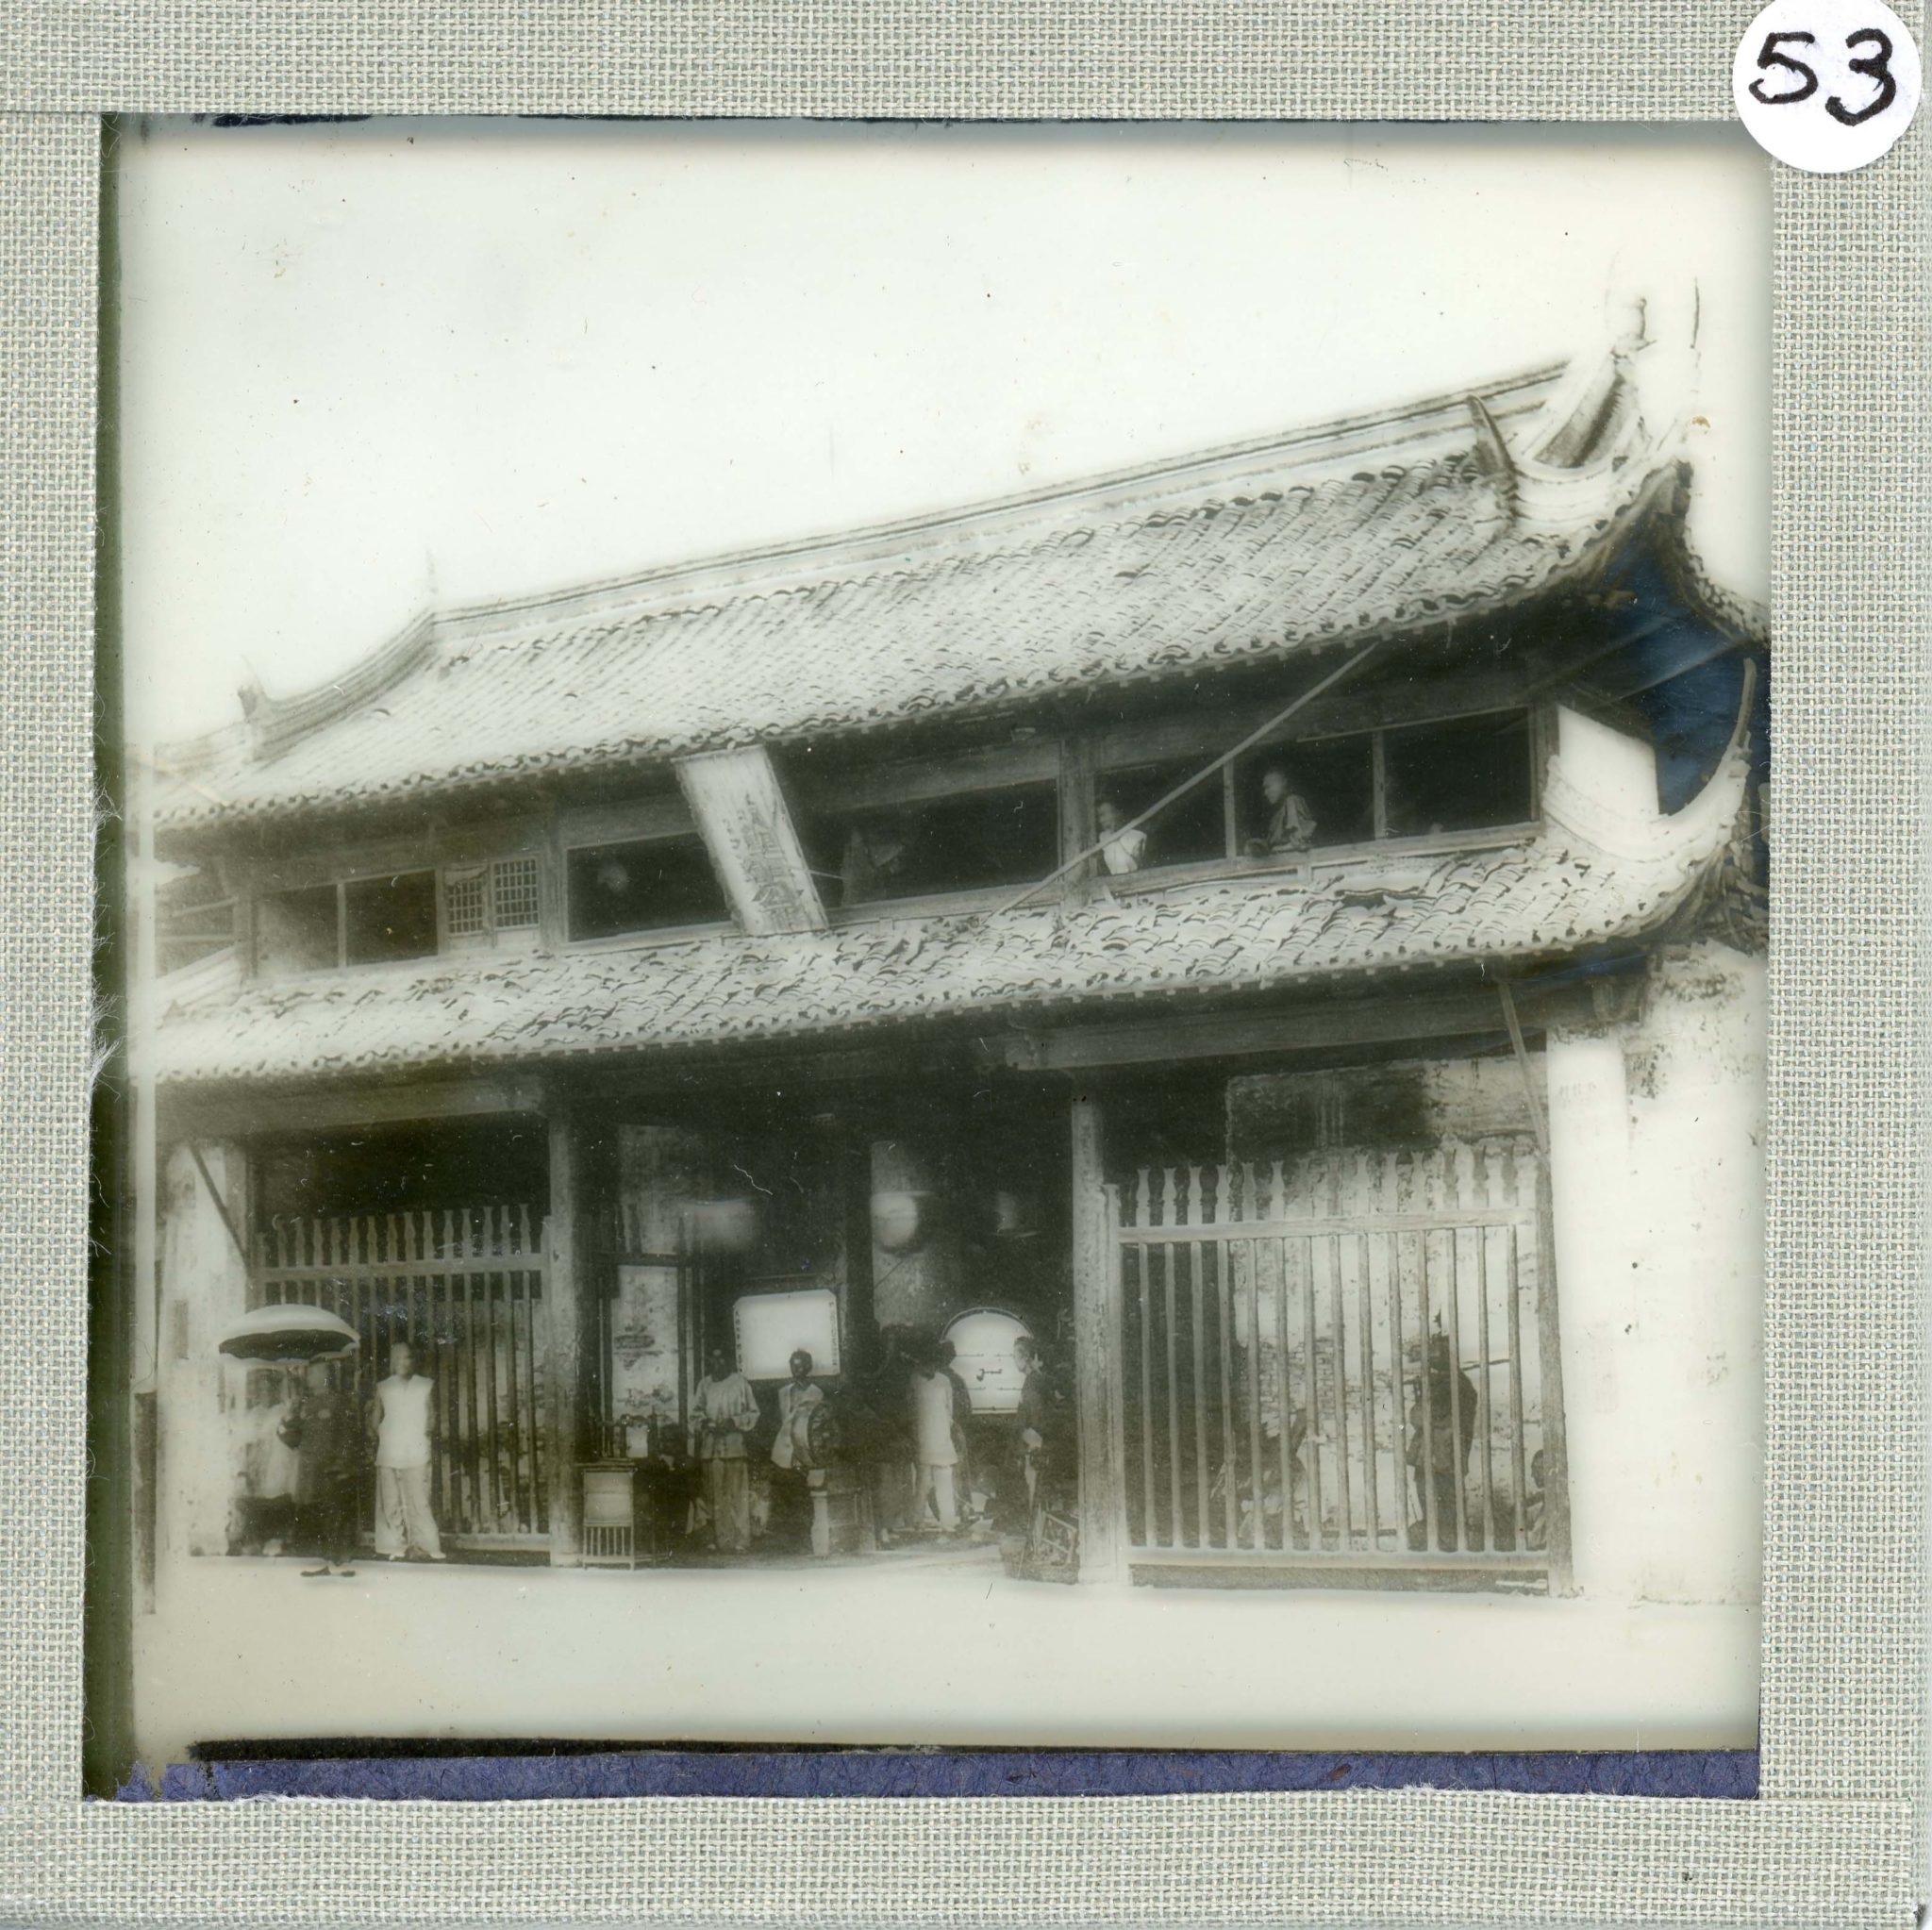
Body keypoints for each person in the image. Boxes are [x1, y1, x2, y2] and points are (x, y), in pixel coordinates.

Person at [370, 1340, 444, 1562]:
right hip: (390, 1449)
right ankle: (396, 1545)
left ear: (414, 1361)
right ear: (392, 1362)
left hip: (417, 1449)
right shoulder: (383, 1386)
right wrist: (385, 1434)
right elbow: (375, 1420)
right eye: (398, 1358)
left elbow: (431, 1417)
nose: (403, 1362)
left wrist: (422, 1434)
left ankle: (427, 1545)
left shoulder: (425, 1385)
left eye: (407, 1357)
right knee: (391, 1501)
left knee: (420, 1499)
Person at [1405, 1332, 1479, 1551]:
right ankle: (1445, 1555)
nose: (1430, 1358)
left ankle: (1443, 1558)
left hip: (1439, 1462)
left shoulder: (1450, 1385)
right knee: (1443, 1517)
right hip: (1442, 1460)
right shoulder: (1457, 1383)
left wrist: (1421, 1400)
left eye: (1435, 1353)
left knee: (1440, 1519)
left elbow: (1418, 1416)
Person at [295, 1356, 363, 1577]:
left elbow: (348, 1436)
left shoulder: (339, 1401)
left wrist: (343, 1465)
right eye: (310, 1372)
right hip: (310, 1470)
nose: (310, 1377)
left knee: (335, 1515)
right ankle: (320, 1560)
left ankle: (340, 1561)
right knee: (314, 1515)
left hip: (331, 1470)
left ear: (326, 1376)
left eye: (315, 1372)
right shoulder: (305, 1405)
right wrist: (287, 1420)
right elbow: (294, 1439)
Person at [691, 1344, 761, 1555]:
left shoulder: (740, 1383)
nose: (717, 1364)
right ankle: (722, 1541)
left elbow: (754, 1412)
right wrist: (706, 1423)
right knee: (715, 1496)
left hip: (734, 1447)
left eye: (721, 1360)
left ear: (729, 1362)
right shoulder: (704, 1385)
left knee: (738, 1495)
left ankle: (741, 1541)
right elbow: (695, 1414)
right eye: (713, 1360)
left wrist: (734, 1422)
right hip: (711, 1449)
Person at [769, 1348, 824, 1551]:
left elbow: (815, 1425)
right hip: (781, 1452)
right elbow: (782, 1421)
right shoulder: (783, 1392)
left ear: (808, 1368)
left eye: (801, 1366)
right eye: (793, 1365)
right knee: (784, 1497)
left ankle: (804, 1541)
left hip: (802, 1452)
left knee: (802, 1497)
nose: (796, 1370)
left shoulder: (816, 1392)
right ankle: (787, 1542)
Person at [908, 1343, 960, 1534]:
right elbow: (910, 1410)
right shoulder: (913, 1380)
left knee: (945, 1480)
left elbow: (950, 1410)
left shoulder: (944, 1381)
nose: (929, 1366)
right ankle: (917, 1521)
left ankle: (947, 1521)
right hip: (922, 1438)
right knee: (922, 1482)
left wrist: (946, 1428)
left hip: (941, 1436)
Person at [935, 1339, 975, 1519]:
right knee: (958, 1472)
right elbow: (967, 1409)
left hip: (939, 1430)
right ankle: (962, 1510)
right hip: (956, 1429)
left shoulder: (933, 1380)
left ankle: (946, 1513)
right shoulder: (957, 1380)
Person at [1245, 763, 1317, 857]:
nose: (1265, 793)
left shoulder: (1292, 801)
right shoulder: (1277, 816)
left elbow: (1300, 845)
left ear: (1284, 782)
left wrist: (1272, 850)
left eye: (1268, 787)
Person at [1095, 798, 1147, 876]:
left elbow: (1139, 866)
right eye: (1099, 816)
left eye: (1103, 815)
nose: (1100, 820)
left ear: (1117, 813)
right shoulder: (1103, 838)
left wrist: (1119, 838)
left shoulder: (1136, 835)